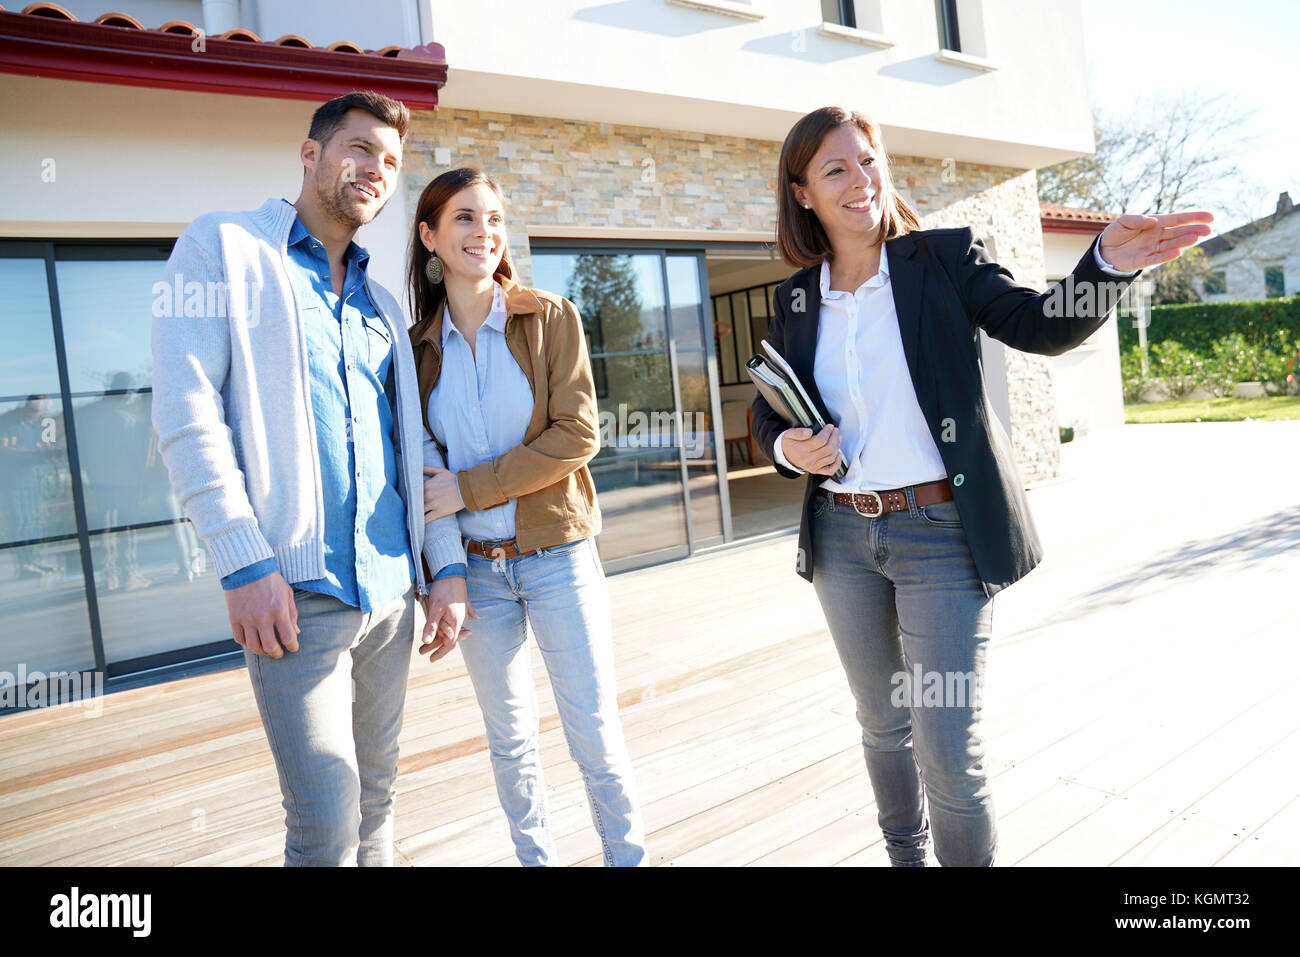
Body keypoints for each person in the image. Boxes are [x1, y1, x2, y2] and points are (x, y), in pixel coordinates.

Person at [751, 106, 1211, 866]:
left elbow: (1041, 326)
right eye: (835, 168)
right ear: (802, 192)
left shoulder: (942, 259)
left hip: (939, 535)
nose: (860, 179)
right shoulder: (799, 297)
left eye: (867, 160)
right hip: (840, 536)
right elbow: (766, 409)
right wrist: (789, 447)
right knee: (881, 722)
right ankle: (905, 855)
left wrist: (1106, 263)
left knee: (946, 748)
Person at [151, 91, 472, 866]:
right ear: (311, 153)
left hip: (392, 595)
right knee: (324, 819)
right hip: (295, 598)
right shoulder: (221, 247)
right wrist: (244, 561)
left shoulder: (384, 305)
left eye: (390, 161)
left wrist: (448, 564)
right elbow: (187, 413)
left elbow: (417, 442)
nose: (376, 169)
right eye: (360, 148)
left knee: (379, 798)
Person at [408, 167, 647, 866]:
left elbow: (577, 435)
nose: (484, 232)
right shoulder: (418, 351)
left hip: (557, 559)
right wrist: (445, 567)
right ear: (429, 236)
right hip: (479, 577)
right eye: (464, 218)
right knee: (510, 740)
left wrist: (471, 487)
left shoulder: (549, 318)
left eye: (494, 219)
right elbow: (426, 476)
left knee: (593, 730)